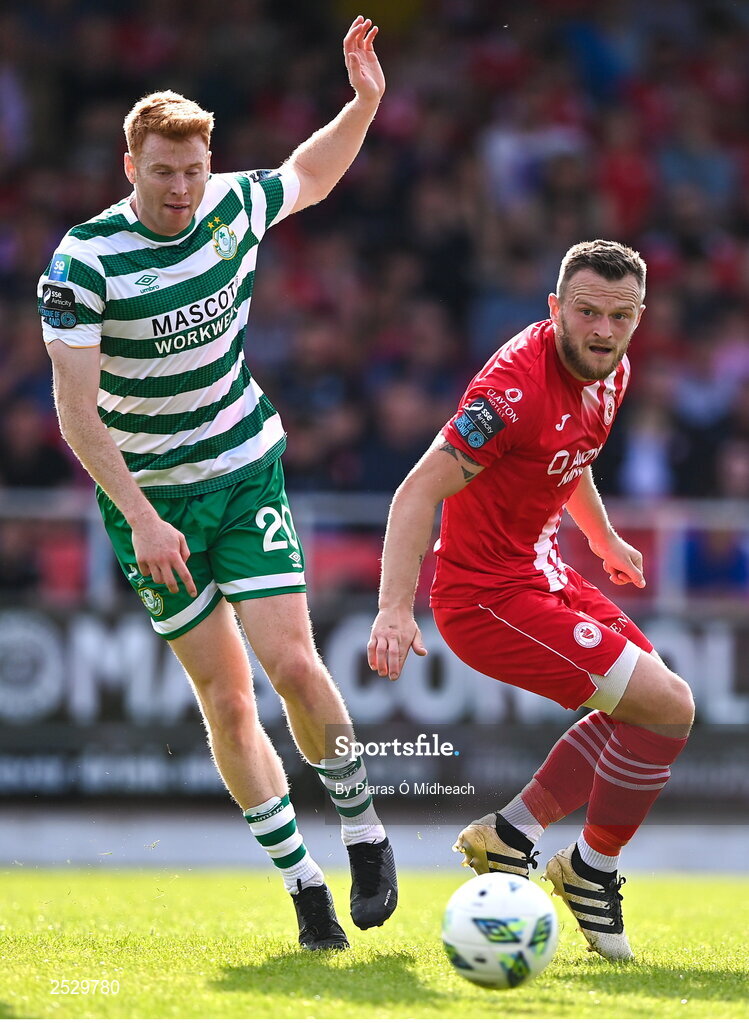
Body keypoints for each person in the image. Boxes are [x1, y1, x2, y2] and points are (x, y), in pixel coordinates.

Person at [39, 16, 396, 952]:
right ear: (130, 165)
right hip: (149, 506)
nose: (181, 188)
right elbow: (76, 412)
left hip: (243, 474)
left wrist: (362, 104)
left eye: (193, 170)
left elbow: (309, 174)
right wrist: (143, 517)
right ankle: (303, 885)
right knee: (228, 700)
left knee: (294, 668)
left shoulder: (233, 206)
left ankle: (361, 826)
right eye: (163, 171)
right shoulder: (83, 264)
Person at [367, 240, 694, 962]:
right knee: (667, 705)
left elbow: (566, 457)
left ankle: (510, 834)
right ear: (554, 310)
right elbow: (416, 489)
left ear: (638, 318)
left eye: (618, 315)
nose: (601, 330)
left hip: (541, 571)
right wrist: (395, 606)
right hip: (487, 599)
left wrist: (603, 539)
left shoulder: (612, 370)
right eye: (585, 312)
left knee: (650, 711)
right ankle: (590, 869)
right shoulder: (510, 390)